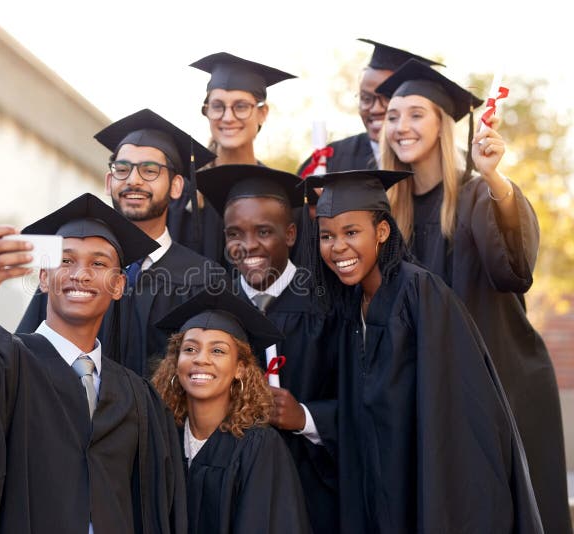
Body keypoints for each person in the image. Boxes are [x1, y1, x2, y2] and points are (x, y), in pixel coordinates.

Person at [0, 193, 187, 534]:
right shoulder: (7, 361)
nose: (80, 274)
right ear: (44, 278)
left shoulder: (135, 394)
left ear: (118, 285)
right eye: (66, 261)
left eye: (98, 264)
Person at [377, 58, 571, 534]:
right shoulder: (387, 215)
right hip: (422, 393)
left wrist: (496, 179)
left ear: (443, 125)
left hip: (495, 390)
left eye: (416, 113)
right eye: (394, 115)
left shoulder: (477, 196)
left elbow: (516, 268)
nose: (402, 126)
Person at [304, 169, 542, 533]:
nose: (337, 247)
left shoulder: (420, 293)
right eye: (326, 236)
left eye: (351, 232)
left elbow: (460, 412)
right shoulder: (352, 306)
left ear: (381, 232)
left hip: (427, 489)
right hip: (381, 493)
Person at [16, 109, 224, 378]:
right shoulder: (69, 268)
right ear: (109, 181)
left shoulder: (204, 279)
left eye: (150, 171)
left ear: (176, 186)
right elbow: (26, 352)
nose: (133, 180)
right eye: (122, 169)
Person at [197, 164, 338, 533]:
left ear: (290, 234)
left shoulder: (328, 306)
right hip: (231, 492)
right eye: (235, 234)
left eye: (264, 231)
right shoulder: (213, 306)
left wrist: (306, 417)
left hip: (312, 489)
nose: (248, 246)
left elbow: (364, 403)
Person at [151, 288, 312, 534]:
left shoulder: (258, 446)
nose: (200, 359)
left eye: (218, 351)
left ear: (240, 368)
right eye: (190, 349)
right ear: (176, 362)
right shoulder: (162, 438)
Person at [168, 52, 296, 262]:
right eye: (218, 106)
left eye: (241, 106)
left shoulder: (279, 193)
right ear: (207, 112)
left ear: (262, 113)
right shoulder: (183, 192)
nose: (228, 118)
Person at [297, 39, 442, 176]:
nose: (375, 109)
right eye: (366, 98)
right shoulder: (330, 160)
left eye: (386, 97)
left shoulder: (440, 167)